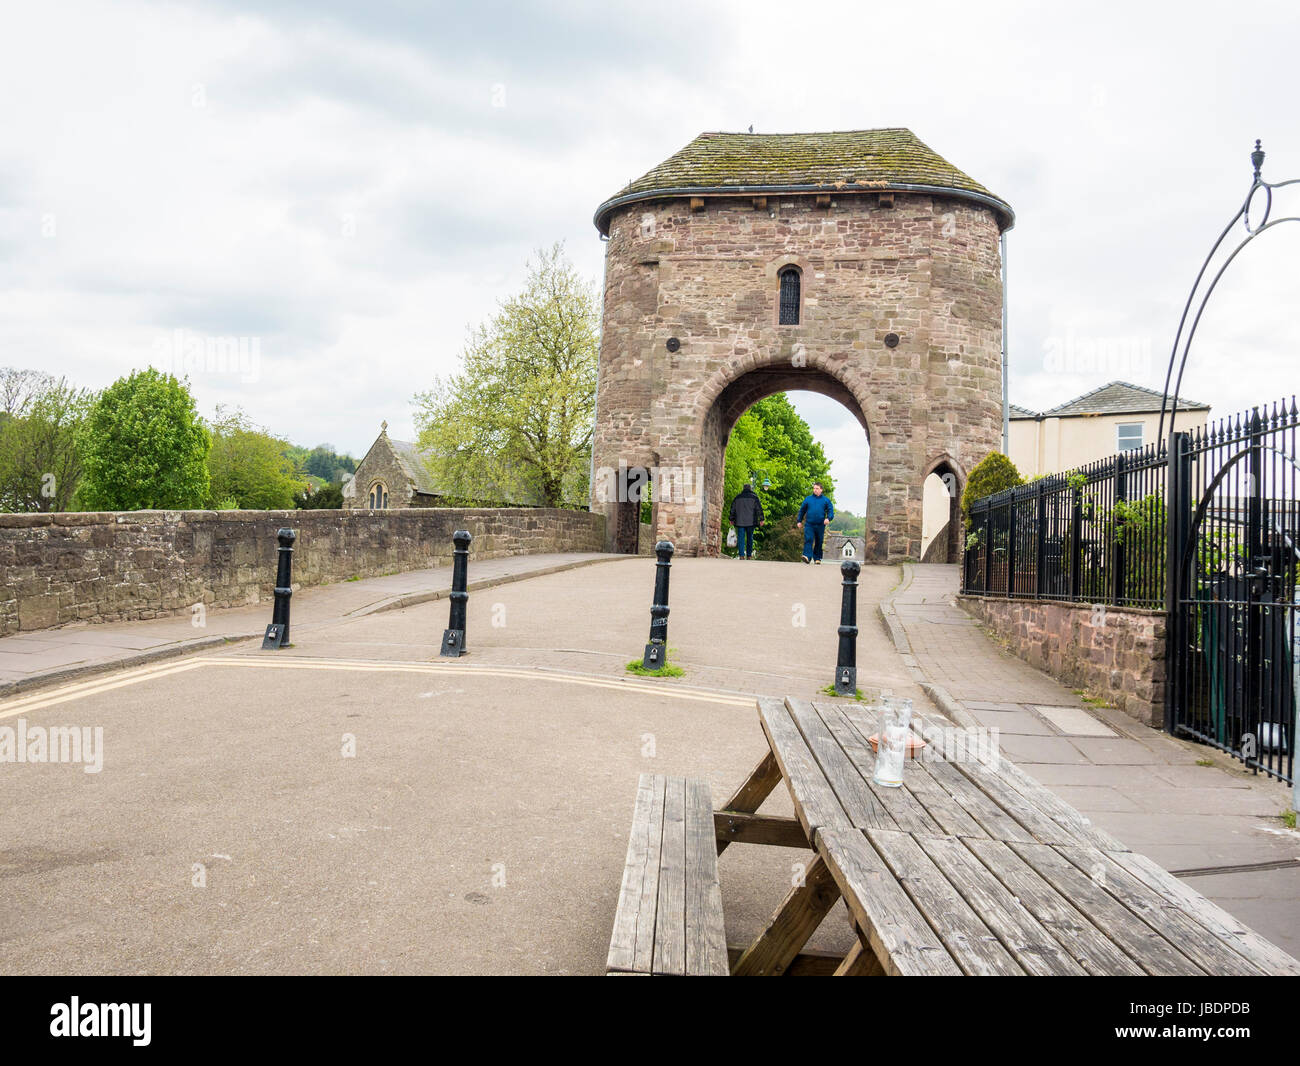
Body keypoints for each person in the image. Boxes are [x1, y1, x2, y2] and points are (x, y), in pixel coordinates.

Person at [796, 482, 834, 564]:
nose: (815, 490)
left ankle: (817, 558)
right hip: (809, 524)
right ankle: (807, 556)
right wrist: (799, 521)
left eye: (817, 488)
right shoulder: (808, 499)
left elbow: (831, 510)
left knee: (819, 541)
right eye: (814, 488)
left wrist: (828, 518)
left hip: (820, 524)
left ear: (821, 490)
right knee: (808, 539)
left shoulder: (826, 500)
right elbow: (802, 510)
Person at [728, 483, 765, 559]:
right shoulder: (754, 498)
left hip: (740, 521)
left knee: (741, 538)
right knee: (750, 538)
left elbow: (733, 509)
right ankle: (749, 555)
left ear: (743, 489)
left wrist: (731, 519)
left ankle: (741, 555)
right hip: (751, 522)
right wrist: (761, 519)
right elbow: (759, 509)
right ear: (750, 489)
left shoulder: (737, 498)